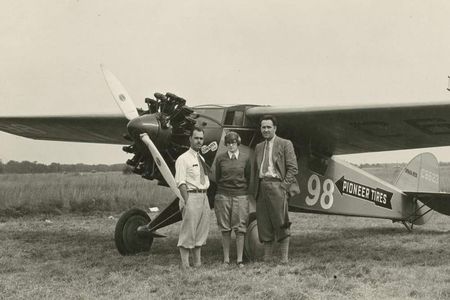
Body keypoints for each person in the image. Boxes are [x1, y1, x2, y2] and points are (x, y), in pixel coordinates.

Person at [254, 115, 299, 264]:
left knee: (281, 222)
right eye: (263, 127)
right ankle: (267, 257)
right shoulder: (259, 147)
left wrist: (284, 187)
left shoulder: (285, 144)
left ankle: (284, 258)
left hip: (277, 185)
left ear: (275, 128)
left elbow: (293, 168)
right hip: (262, 186)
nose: (266, 130)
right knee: (264, 222)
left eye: (268, 127)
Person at [175, 126, 210, 270]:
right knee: (188, 231)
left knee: (201, 231)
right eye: (196, 138)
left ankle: (197, 263)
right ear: (190, 139)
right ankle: (185, 265)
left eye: (201, 138)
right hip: (191, 196)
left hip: (203, 196)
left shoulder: (200, 157)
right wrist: (187, 201)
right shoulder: (183, 159)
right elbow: (181, 182)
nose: (199, 141)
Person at [214, 131, 251, 267]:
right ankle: (226, 259)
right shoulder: (220, 159)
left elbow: (248, 176)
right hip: (223, 195)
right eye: (228, 143)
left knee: (240, 228)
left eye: (233, 142)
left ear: (238, 143)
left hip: (240, 196)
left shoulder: (246, 158)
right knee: (225, 228)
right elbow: (218, 178)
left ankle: (240, 259)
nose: (231, 145)